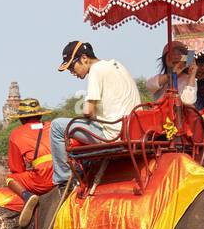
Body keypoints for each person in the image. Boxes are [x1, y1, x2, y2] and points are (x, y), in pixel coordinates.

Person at [49, 40, 140, 188]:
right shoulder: (117, 64)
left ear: (84, 58)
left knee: (57, 126)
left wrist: (90, 115)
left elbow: (87, 111)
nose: (72, 72)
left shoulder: (96, 70)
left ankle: (64, 180)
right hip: (131, 130)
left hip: (113, 134)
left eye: (72, 66)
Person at [3, 98, 55, 226]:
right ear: (40, 115)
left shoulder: (17, 134)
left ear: (21, 119)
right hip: (65, 171)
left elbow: (17, 169)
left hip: (44, 179)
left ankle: (27, 197)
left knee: (10, 178)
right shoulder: (52, 125)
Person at [145, 40, 200, 106]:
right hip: (161, 114)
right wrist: (172, 74)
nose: (176, 57)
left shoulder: (188, 79)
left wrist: (192, 75)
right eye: (172, 54)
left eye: (180, 55)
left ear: (185, 59)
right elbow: (149, 86)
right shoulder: (160, 78)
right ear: (165, 60)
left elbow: (188, 101)